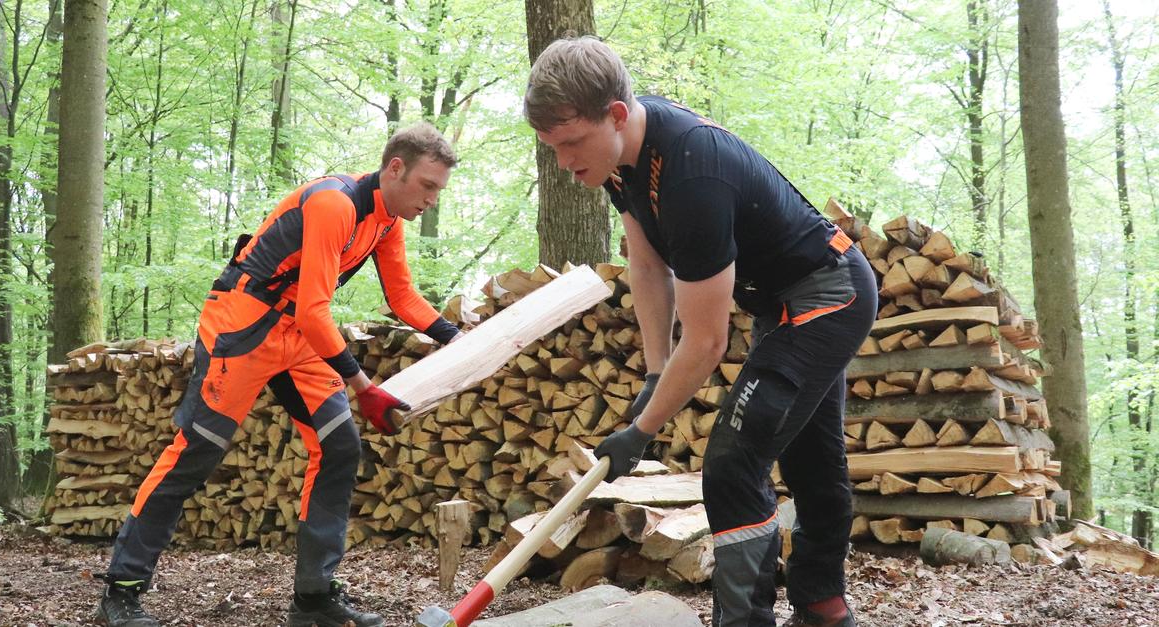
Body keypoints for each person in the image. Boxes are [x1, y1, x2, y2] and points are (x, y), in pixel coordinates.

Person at [524, 38, 877, 627]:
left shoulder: (692, 175)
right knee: (811, 456)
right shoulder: (621, 159)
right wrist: (654, 372)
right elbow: (646, 266)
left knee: (733, 461)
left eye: (570, 144)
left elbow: (709, 342)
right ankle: (823, 608)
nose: (563, 163)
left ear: (615, 113)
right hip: (782, 302)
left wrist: (639, 431)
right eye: (552, 148)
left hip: (829, 295)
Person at [96, 122, 464, 627]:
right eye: (428, 186)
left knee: (339, 446)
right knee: (195, 453)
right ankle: (122, 590)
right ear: (395, 168)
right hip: (244, 325)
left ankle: (313, 599)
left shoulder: (387, 221)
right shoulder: (336, 204)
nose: (432, 200)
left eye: (439, 190)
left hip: (299, 334)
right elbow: (317, 310)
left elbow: (402, 298)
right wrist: (364, 387)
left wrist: (455, 337)